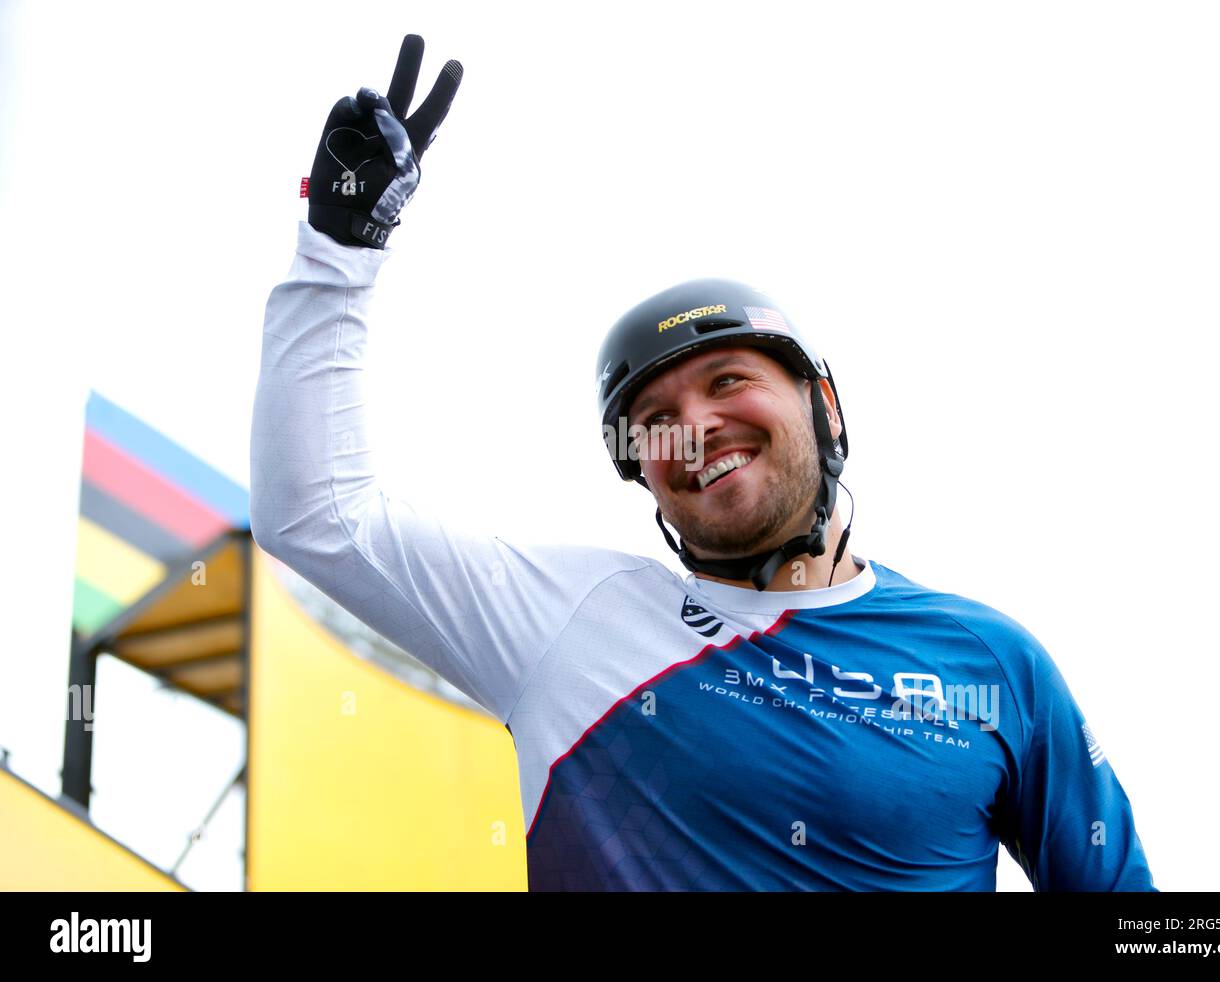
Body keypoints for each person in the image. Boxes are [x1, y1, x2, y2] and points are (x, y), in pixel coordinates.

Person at [251, 34, 1158, 891]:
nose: (698, 426)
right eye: (654, 419)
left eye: (730, 380)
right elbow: (317, 517)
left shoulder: (989, 662)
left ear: (825, 407)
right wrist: (336, 250)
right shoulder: (571, 624)